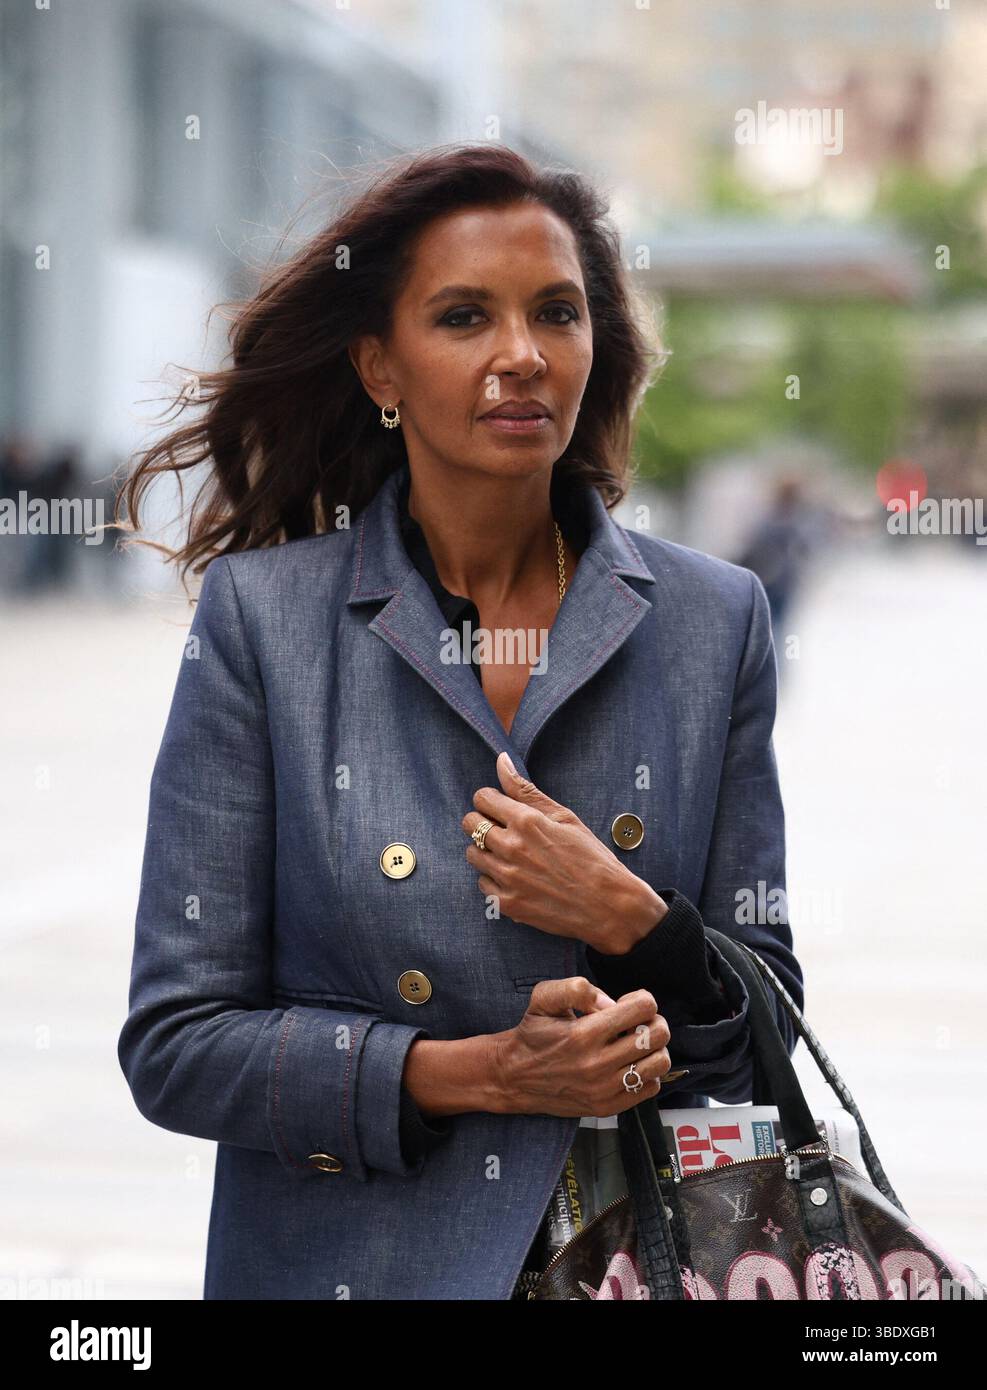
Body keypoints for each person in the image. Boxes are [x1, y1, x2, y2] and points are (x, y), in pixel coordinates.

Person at [116, 143, 803, 1301]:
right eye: (464, 316)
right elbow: (177, 1043)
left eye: (556, 312)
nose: (521, 355)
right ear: (381, 364)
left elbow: (768, 1029)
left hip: (643, 1264)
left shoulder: (713, 619)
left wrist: (634, 918)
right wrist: (473, 1072)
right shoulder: (265, 626)